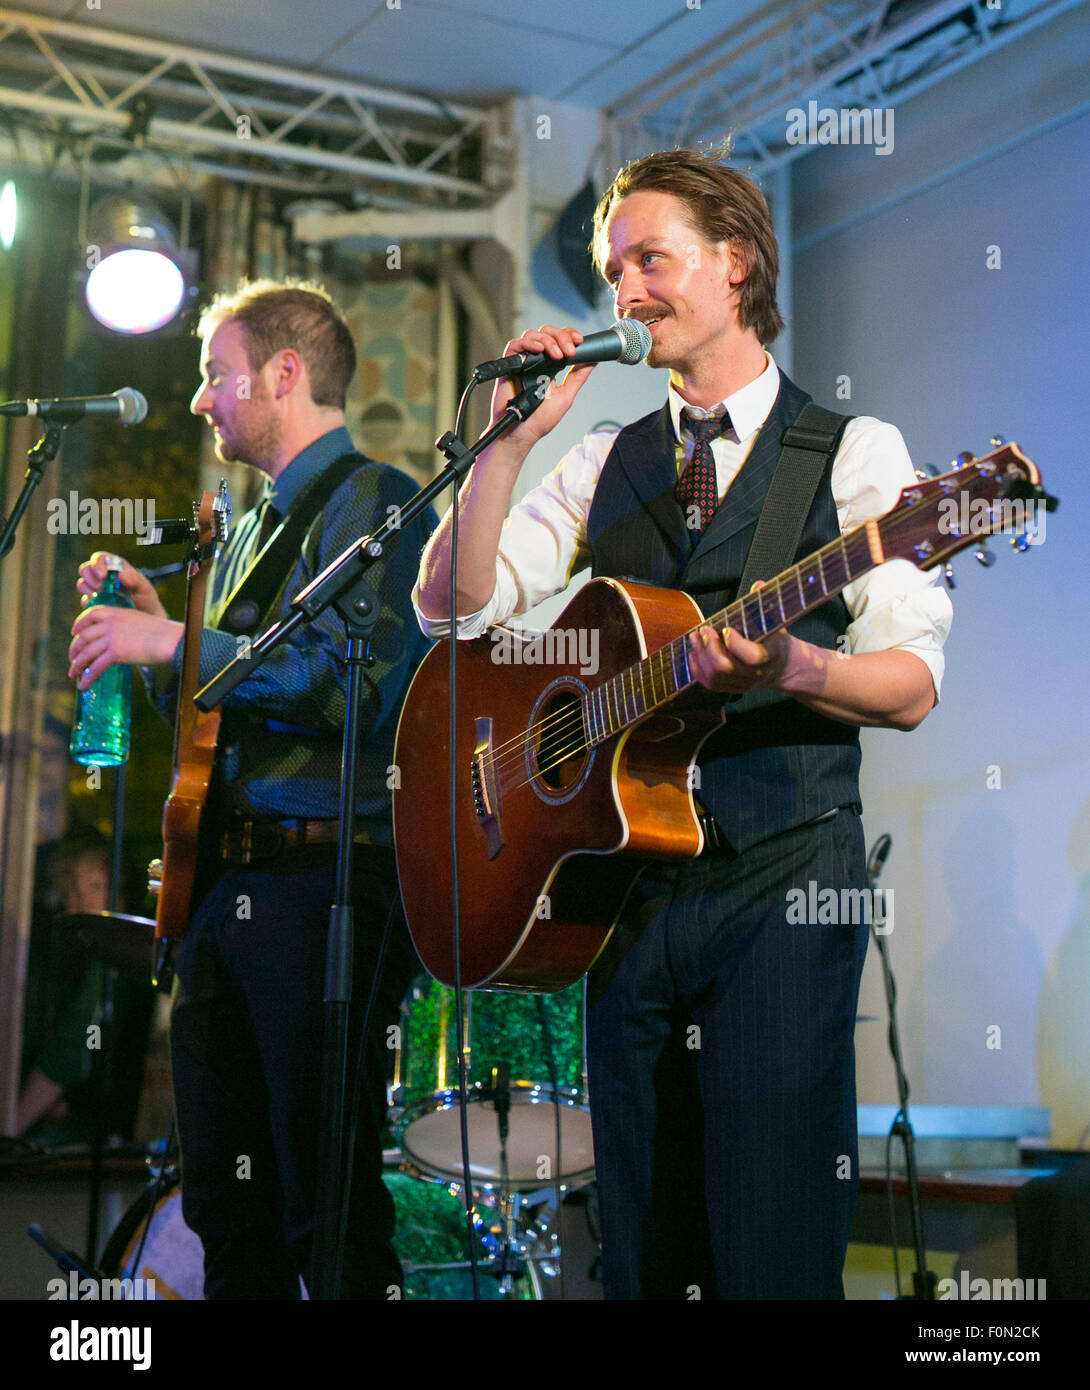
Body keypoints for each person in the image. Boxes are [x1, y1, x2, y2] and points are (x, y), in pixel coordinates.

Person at [414, 149, 953, 1299]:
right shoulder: (603, 457)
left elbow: (908, 686)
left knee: (765, 1241)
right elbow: (449, 605)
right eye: (614, 273)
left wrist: (795, 662)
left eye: (649, 260)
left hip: (778, 882)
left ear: (736, 263)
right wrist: (509, 442)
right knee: (648, 1252)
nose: (626, 294)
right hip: (629, 896)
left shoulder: (853, 455)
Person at [68, 279, 434, 1298]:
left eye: (212, 377)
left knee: (329, 1204)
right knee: (228, 1210)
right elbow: (213, 728)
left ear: (285, 374)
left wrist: (178, 637)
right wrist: (152, 642)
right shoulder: (239, 534)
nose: (198, 401)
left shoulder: (379, 499)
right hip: (222, 900)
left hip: (321, 893)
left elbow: (348, 678)